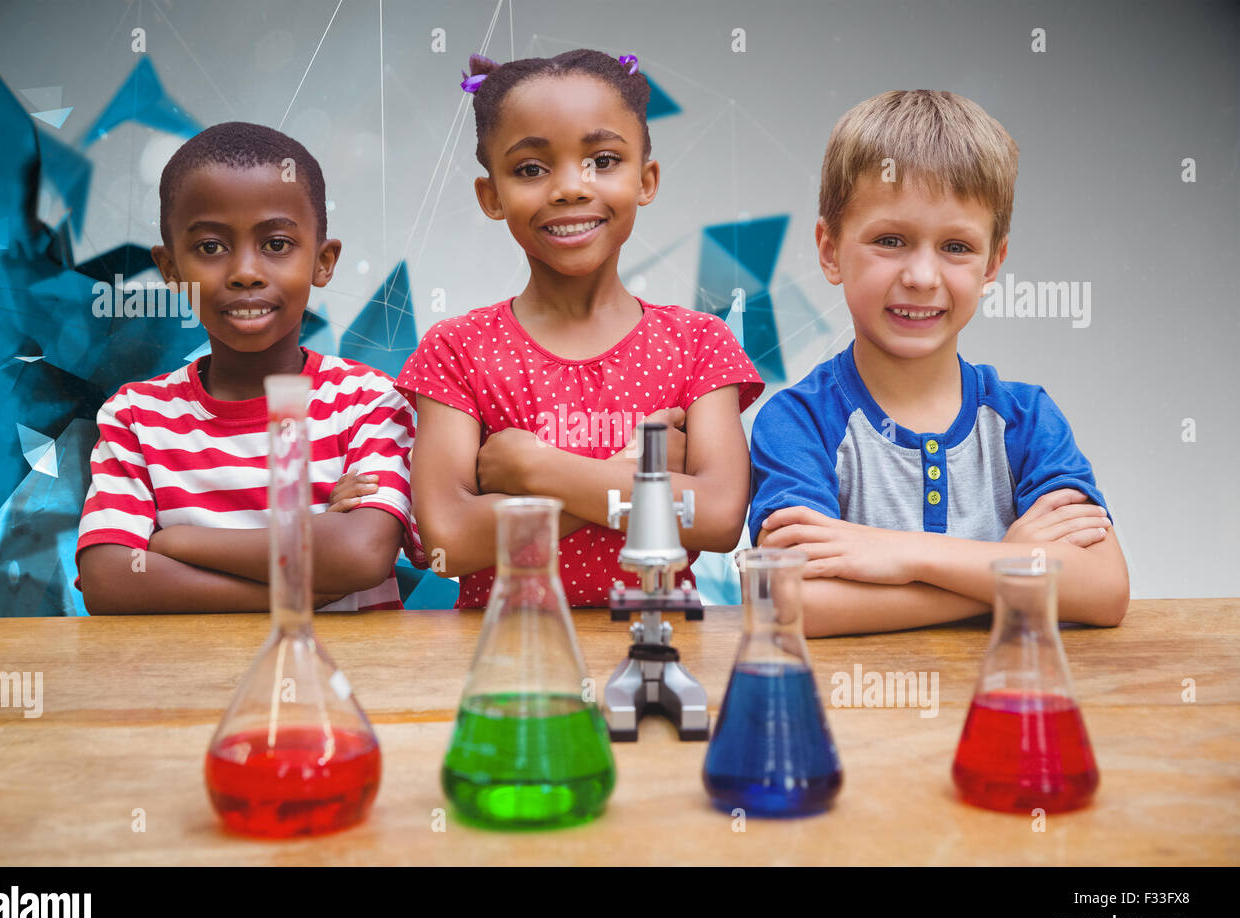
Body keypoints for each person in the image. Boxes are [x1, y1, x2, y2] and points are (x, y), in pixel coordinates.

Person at [748, 90, 1129, 636]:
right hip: (852, 719)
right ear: (829, 250)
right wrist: (1010, 571)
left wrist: (903, 556)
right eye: (891, 240)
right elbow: (786, 605)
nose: (923, 277)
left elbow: (1104, 590)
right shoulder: (797, 422)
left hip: (1003, 715)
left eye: (956, 247)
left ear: (993, 262)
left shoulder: (1025, 418)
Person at [392, 50, 763, 607]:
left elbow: (715, 519)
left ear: (646, 178)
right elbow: (450, 542)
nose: (570, 188)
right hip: (503, 665)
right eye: (531, 169)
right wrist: (632, 479)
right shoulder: (456, 350)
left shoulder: (699, 344)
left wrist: (534, 468)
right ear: (491, 195)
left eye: (604, 160)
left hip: (659, 654)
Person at [76, 122, 417, 613]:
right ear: (171, 270)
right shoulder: (135, 416)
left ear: (323, 261)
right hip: (186, 688)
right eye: (210, 247)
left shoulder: (369, 402)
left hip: (351, 684)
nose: (245, 273)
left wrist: (177, 542)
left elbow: (359, 555)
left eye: (276, 244)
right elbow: (110, 580)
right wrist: (299, 582)